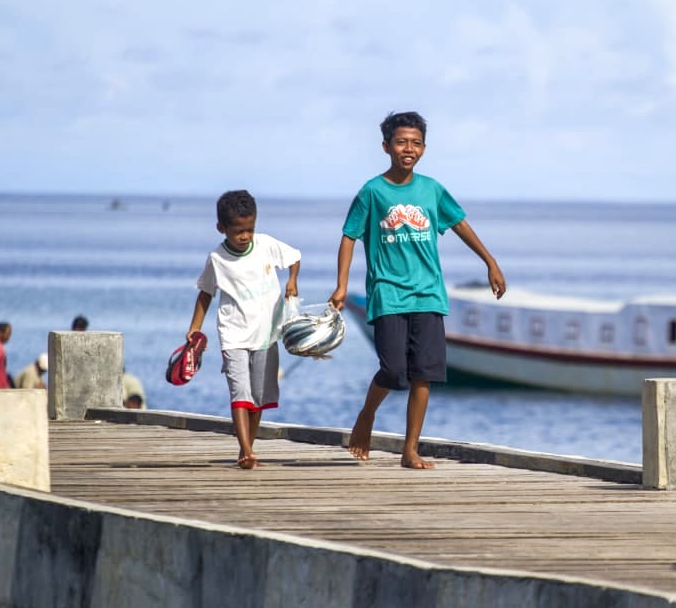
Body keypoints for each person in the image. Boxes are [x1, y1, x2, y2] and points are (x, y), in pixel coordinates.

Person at [329, 111, 506, 469]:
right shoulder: (372, 192)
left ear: (423, 148)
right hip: (388, 292)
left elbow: (459, 225)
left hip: (428, 293)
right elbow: (349, 236)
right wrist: (342, 285)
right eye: (401, 142)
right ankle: (367, 415)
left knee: (423, 372)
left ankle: (410, 450)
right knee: (394, 370)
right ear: (386, 146)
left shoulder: (432, 189)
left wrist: (490, 261)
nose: (408, 149)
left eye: (415, 143)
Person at [186, 190, 301, 469]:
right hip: (234, 334)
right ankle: (247, 449)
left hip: (266, 334)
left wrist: (292, 281)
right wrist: (195, 327)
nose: (245, 236)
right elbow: (205, 293)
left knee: (258, 397)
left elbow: (294, 257)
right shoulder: (217, 259)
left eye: (250, 229)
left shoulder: (265, 245)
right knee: (240, 392)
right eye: (238, 231)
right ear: (221, 228)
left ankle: (247, 448)